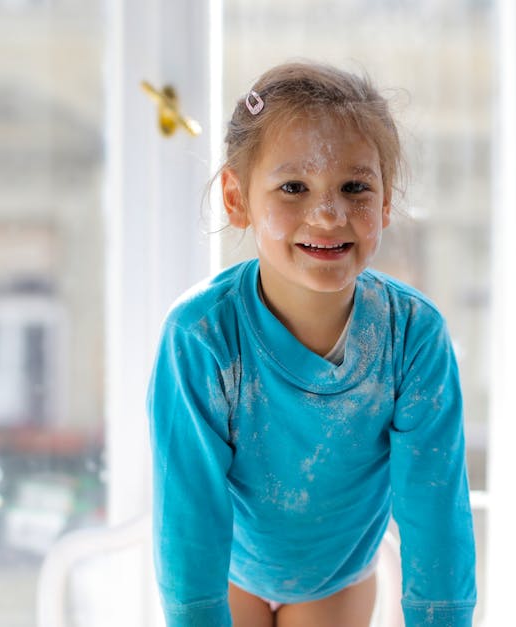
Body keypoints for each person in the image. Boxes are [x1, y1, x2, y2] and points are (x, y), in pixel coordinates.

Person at [148, 61, 476, 627]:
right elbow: (188, 516)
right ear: (236, 198)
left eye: (355, 187)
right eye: (293, 187)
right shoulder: (199, 337)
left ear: (386, 202)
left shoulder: (413, 336)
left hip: (335, 578)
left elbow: (434, 511)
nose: (328, 214)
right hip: (225, 572)